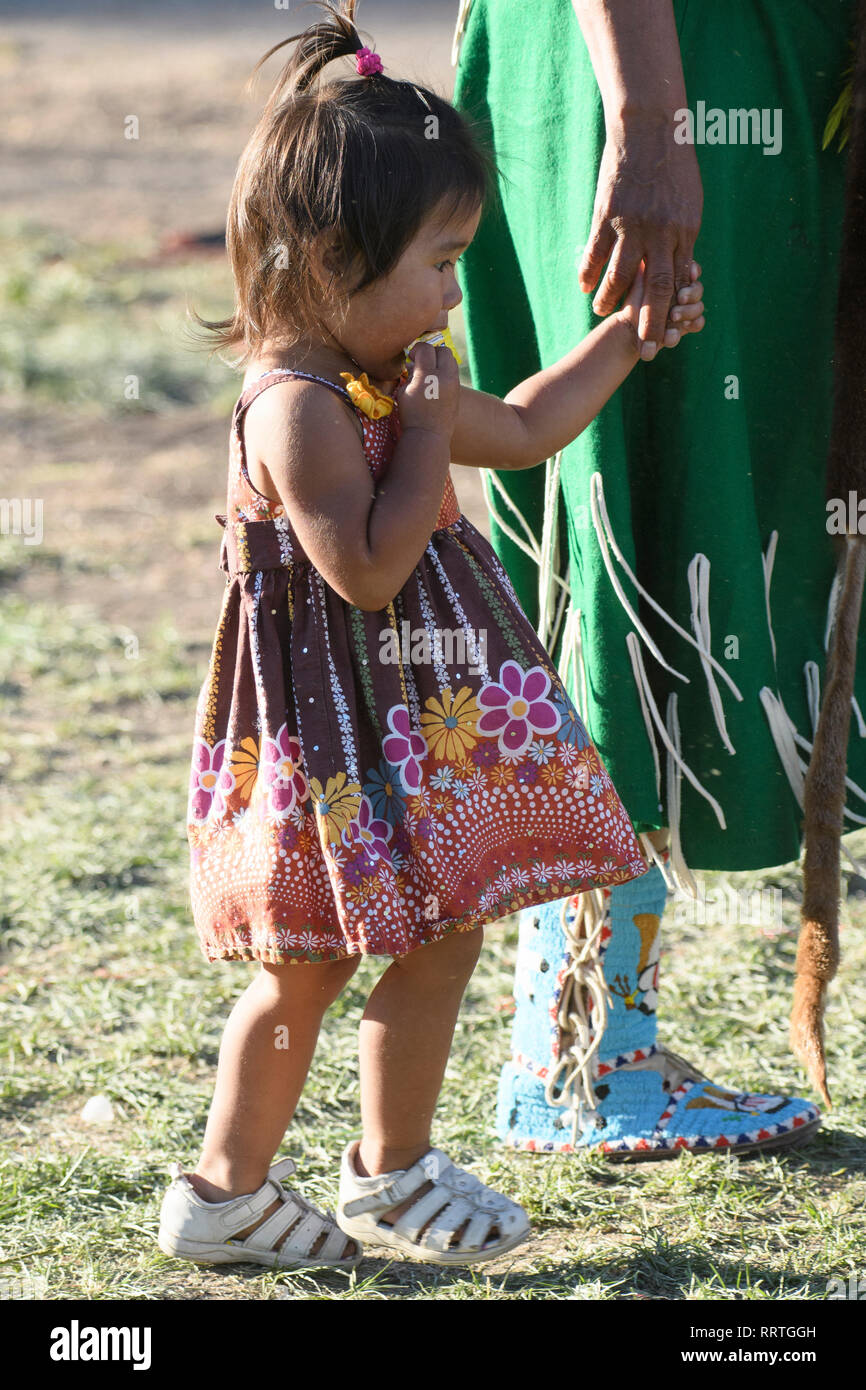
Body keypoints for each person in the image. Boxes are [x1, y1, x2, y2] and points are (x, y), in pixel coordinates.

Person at [156, 0, 706, 1271]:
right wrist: (416, 439)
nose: (455, 288)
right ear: (329, 262)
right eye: (440, 259)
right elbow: (364, 568)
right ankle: (224, 1195)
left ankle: (390, 1171)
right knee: (303, 973)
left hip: (402, 739)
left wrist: (622, 341)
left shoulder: (379, 381)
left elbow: (519, 429)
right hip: (329, 758)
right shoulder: (298, 410)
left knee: (443, 931)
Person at [452, 0, 855, 1155]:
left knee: (694, 491)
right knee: (631, 500)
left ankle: (588, 1039)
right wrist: (648, 120)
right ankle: (580, 1053)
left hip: (729, 73)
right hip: (659, 69)